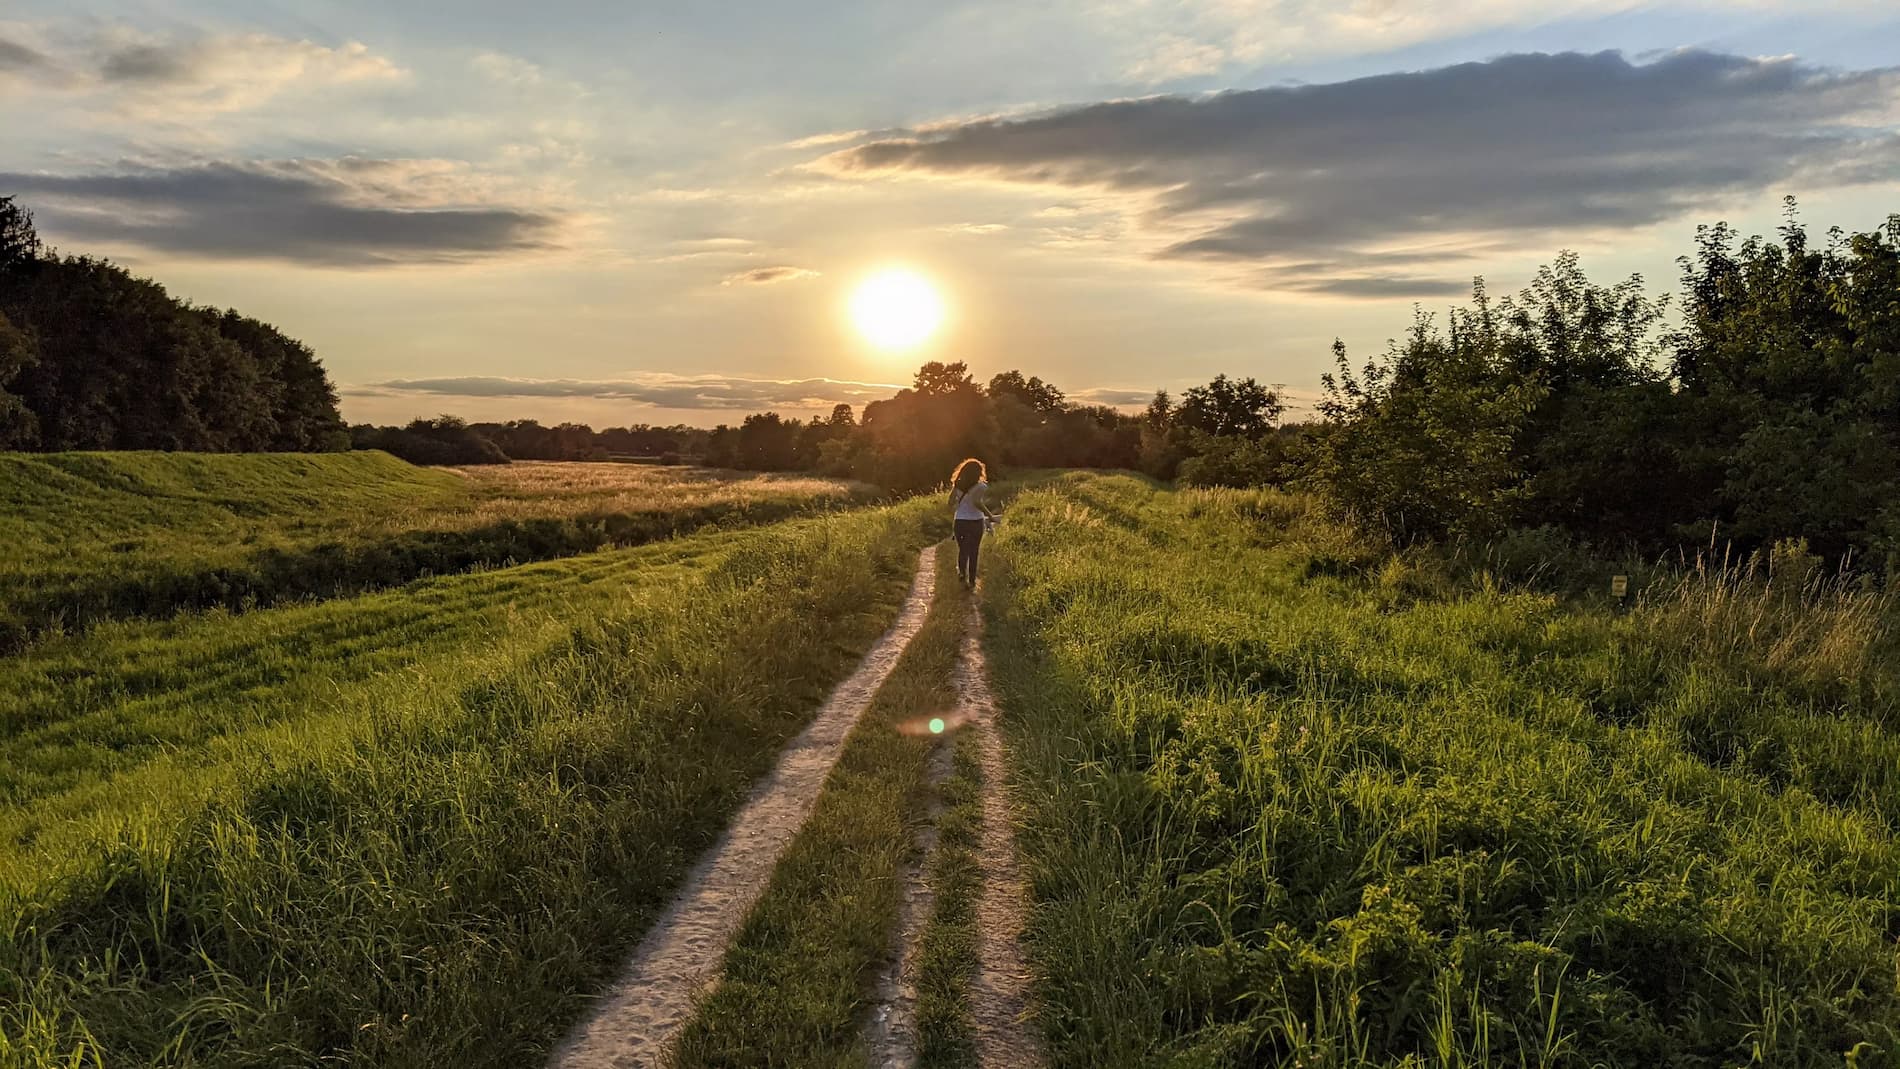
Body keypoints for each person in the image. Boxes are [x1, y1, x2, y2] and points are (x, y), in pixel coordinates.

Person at [949, 457, 997, 588]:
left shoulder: (957, 485)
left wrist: (959, 508)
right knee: (974, 550)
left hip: (960, 521)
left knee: (963, 549)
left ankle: (962, 573)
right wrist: (990, 515)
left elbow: (950, 502)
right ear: (978, 472)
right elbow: (977, 502)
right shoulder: (981, 486)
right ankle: (971, 580)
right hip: (976, 521)